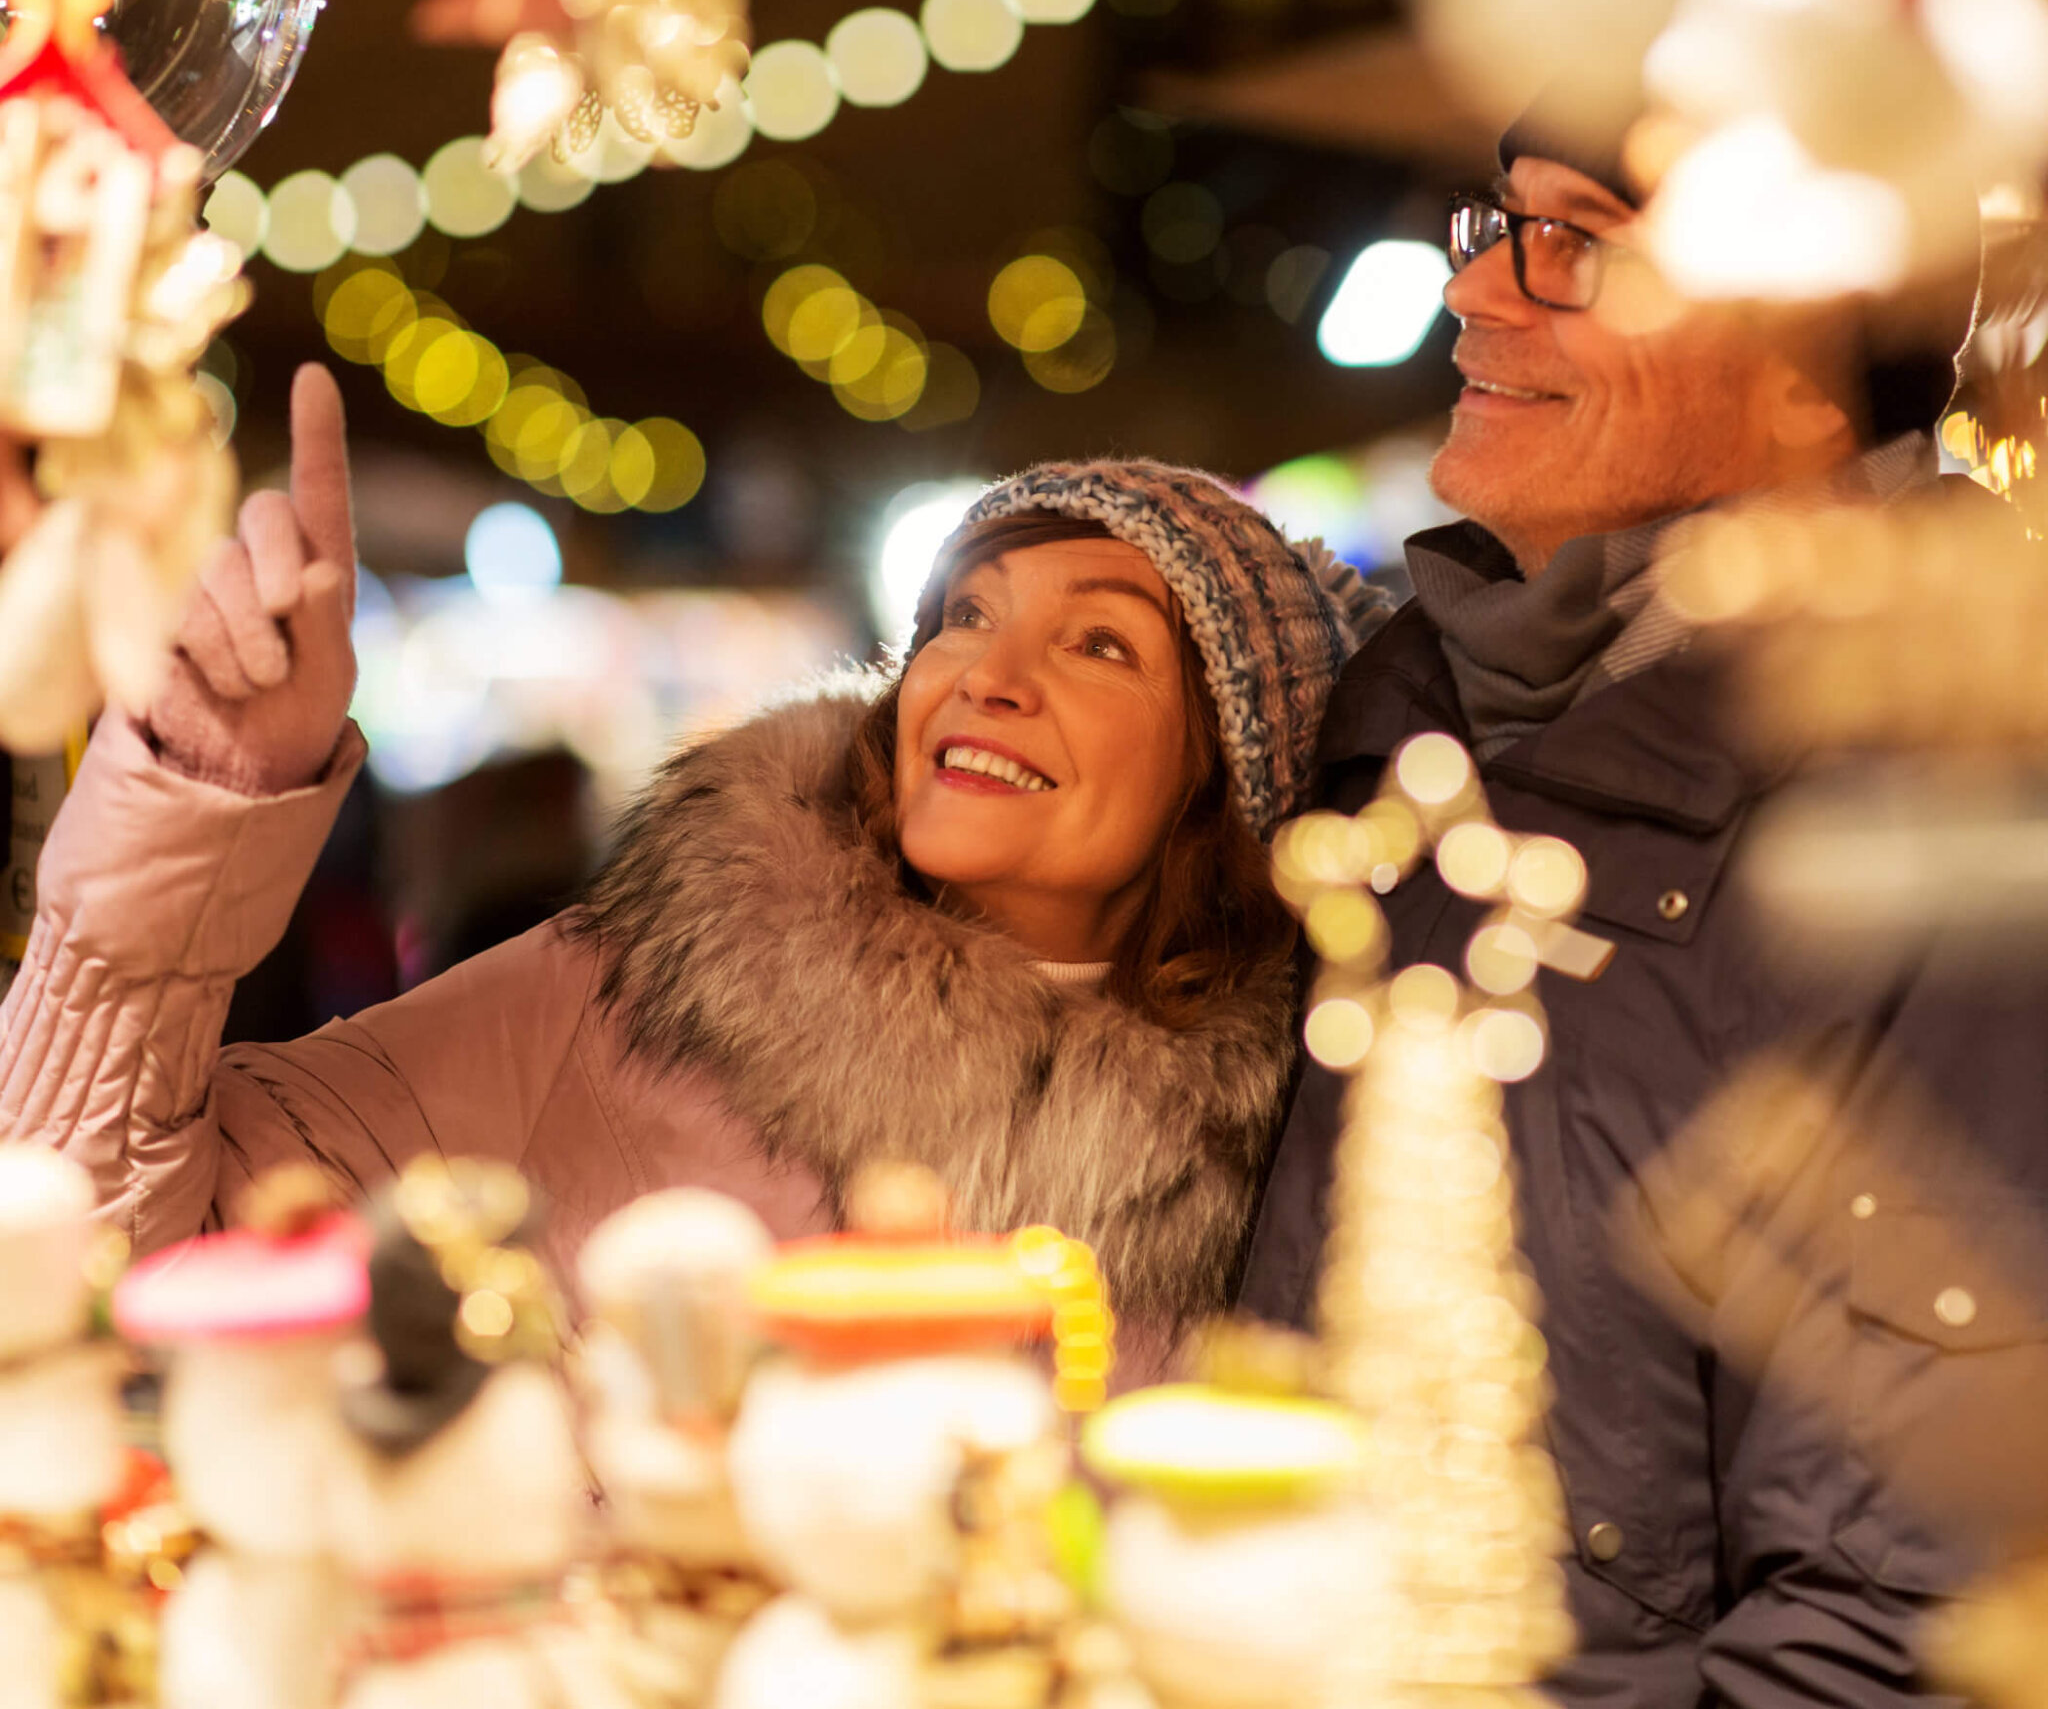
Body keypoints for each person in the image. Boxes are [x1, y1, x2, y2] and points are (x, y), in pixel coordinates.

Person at [0, 365, 1370, 1369]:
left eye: (1101, 645)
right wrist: (202, 794)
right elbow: (91, 1244)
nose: (986, 677)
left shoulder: (1286, 1163)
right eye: (964, 617)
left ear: (1228, 778)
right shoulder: (637, 996)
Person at [1239, 106, 2025, 1705]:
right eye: (1496, 222)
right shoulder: (1397, 719)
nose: (1477, 293)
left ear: (1811, 361)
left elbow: (1905, 1611)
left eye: (1580, 242)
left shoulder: (1949, 806)